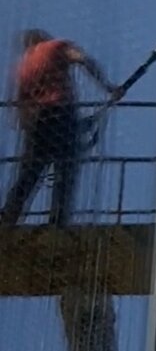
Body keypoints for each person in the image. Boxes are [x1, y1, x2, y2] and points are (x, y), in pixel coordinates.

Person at [1, 30, 117, 226]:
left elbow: (19, 106)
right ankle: (57, 220)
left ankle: (8, 216)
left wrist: (28, 126)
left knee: (29, 172)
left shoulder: (23, 66)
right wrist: (108, 87)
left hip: (37, 123)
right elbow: (84, 60)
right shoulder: (55, 46)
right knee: (65, 168)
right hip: (61, 113)